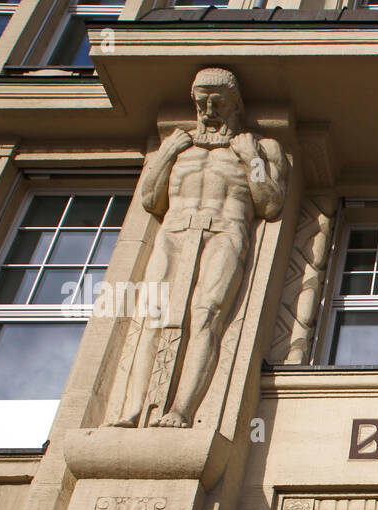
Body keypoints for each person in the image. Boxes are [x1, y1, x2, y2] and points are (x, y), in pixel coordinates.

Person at [114, 67, 287, 428]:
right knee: (152, 317)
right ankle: (133, 410)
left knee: (205, 315)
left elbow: (270, 204)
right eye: (202, 103)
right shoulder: (179, 145)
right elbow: (149, 199)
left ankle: (182, 411)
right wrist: (166, 153)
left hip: (225, 232)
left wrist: (251, 158)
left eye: (217, 103)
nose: (209, 112)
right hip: (173, 231)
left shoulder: (261, 146)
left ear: (235, 105)